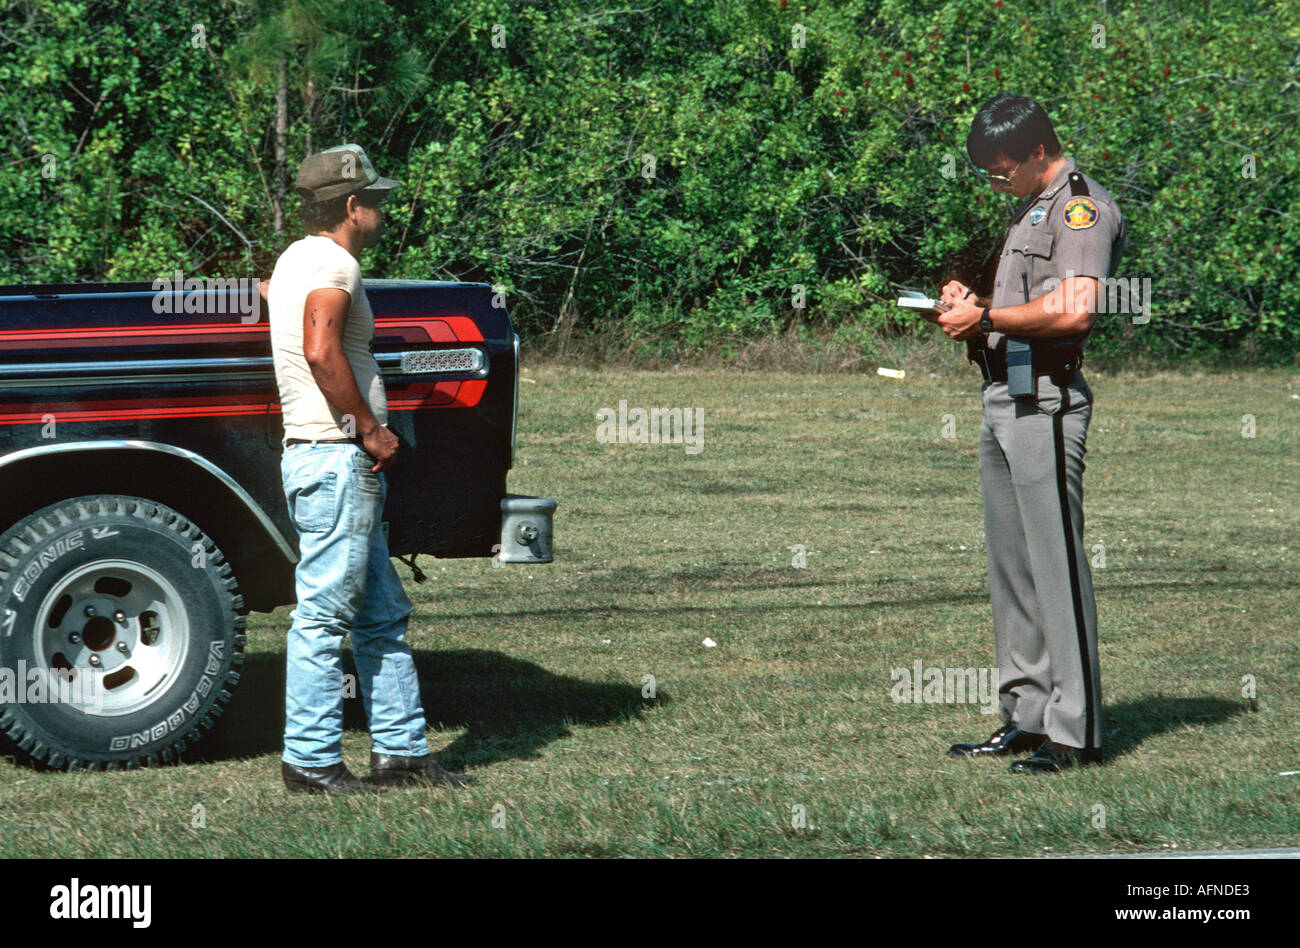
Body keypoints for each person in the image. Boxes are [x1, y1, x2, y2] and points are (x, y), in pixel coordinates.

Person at [267, 143, 473, 794]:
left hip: (324, 462)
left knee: (380, 614)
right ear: (351, 206)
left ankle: (402, 756)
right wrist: (371, 429)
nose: (382, 209)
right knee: (325, 617)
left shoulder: (296, 259)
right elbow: (322, 350)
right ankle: (311, 763)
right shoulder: (333, 265)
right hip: (336, 458)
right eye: (375, 200)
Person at [931, 95, 1125, 774]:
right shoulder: (1030, 206)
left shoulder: (1081, 208)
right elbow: (1013, 301)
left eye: (1003, 168)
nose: (995, 180)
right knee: (1013, 570)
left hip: (1044, 399)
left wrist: (988, 320)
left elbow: (1073, 311)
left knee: (1056, 569)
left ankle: (1075, 732)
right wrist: (971, 300)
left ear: (1040, 151)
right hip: (1004, 394)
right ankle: (1026, 716)